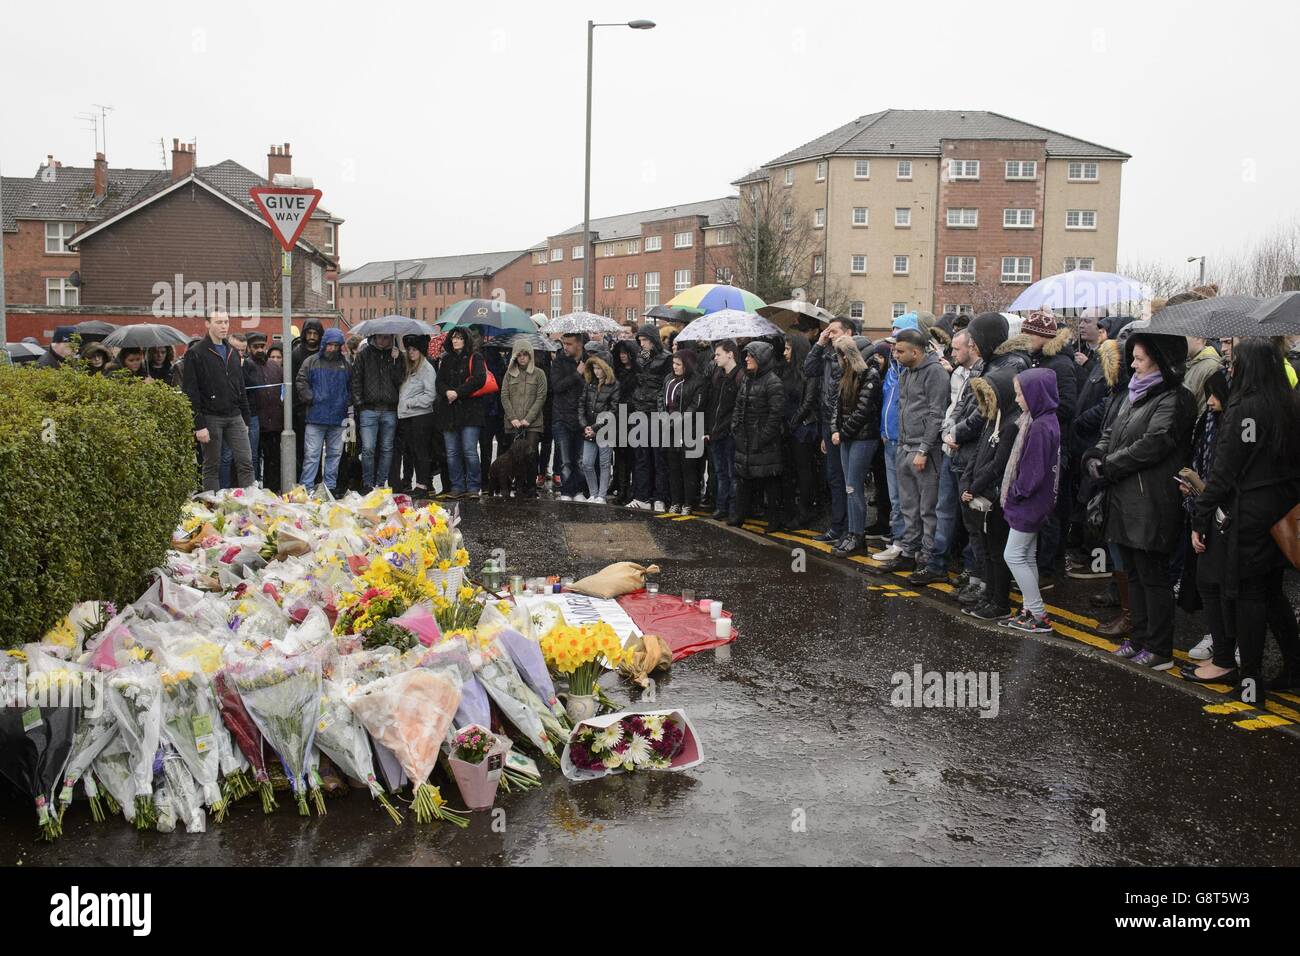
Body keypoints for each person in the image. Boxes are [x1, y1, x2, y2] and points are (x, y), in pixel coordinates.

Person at [1189, 340, 1300, 699]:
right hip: (1280, 512)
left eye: (1236, 364)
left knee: (1248, 593)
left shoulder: (1244, 409)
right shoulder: (1290, 404)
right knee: (1271, 591)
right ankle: (1294, 665)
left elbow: (1224, 471)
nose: (1231, 369)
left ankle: (1247, 678)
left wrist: (1200, 516)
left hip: (1248, 513)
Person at [1083, 332, 1195, 670]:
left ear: (1160, 361)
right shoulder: (1136, 395)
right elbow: (1110, 433)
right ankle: (1139, 639)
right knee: (1133, 573)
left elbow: (1154, 443)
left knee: (1153, 576)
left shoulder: (1175, 398)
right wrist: (1094, 457)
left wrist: (1109, 465)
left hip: (1152, 501)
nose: (1132, 363)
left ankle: (1159, 649)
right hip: (1123, 496)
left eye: (1140, 358)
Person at [876, 329, 951, 581]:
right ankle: (909, 552)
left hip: (923, 451)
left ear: (915, 352)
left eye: (899, 351)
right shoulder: (906, 372)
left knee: (927, 509)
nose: (894, 355)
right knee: (908, 506)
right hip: (904, 446)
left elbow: (935, 414)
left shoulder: (935, 373)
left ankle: (928, 558)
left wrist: (923, 449)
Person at [998, 369, 1062, 633]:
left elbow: (1032, 472)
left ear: (1036, 394)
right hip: (1040, 501)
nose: (1017, 399)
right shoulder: (1047, 420)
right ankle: (1029, 608)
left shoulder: (1038, 426)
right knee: (1026, 555)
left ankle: (1037, 613)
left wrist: (1017, 492)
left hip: (1029, 501)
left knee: (1012, 555)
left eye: (1021, 394)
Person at [1020, 310, 1077, 588]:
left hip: (1055, 445)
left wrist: (1036, 408)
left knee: (1050, 510)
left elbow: (1067, 406)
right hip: (1037, 440)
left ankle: (1046, 569)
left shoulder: (1061, 365)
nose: (1026, 338)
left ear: (1043, 335)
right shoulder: (1036, 360)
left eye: (1029, 333)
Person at [959, 368, 1020, 623]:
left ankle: (1000, 601)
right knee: (986, 548)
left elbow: (999, 464)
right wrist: (966, 480)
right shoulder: (992, 418)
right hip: (978, 491)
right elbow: (976, 456)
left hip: (994, 497)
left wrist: (974, 486)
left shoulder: (1011, 425)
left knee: (998, 552)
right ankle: (989, 595)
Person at [1178, 368, 1229, 668]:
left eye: (1214, 395)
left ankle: (1231, 645)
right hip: (1202, 507)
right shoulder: (1207, 421)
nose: (1209, 401)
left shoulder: (1236, 426)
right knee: (1207, 580)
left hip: (1225, 515)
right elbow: (1198, 456)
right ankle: (1219, 636)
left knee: (1227, 583)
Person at [181, 310, 255, 492]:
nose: (224, 326)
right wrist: (199, 425)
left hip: (234, 414)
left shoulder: (233, 352)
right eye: (219, 322)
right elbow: (191, 392)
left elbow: (240, 387)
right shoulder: (195, 353)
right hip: (210, 416)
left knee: (246, 461)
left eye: (226, 322)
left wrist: (246, 418)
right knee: (211, 465)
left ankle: (251, 505)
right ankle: (211, 508)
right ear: (207, 324)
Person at [829, 335, 882, 557]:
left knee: (854, 487)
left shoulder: (870, 375)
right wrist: (835, 428)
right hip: (848, 437)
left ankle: (857, 535)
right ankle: (851, 533)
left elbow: (863, 411)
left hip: (863, 438)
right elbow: (837, 406)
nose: (840, 359)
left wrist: (842, 432)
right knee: (850, 487)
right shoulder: (847, 374)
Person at [803, 318, 854, 542]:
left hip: (844, 426)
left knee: (847, 480)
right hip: (827, 423)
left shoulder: (852, 356)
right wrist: (819, 344)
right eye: (828, 331)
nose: (830, 335)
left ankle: (849, 528)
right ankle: (837, 525)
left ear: (849, 333)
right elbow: (808, 369)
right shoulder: (826, 353)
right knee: (834, 477)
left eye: (834, 332)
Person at [730, 341, 785, 530]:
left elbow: (776, 415)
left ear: (761, 358)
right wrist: (735, 428)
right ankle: (738, 517)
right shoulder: (747, 379)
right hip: (745, 438)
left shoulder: (773, 381)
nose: (746, 359)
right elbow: (738, 406)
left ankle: (774, 521)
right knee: (743, 481)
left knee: (770, 483)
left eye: (750, 355)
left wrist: (762, 438)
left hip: (763, 442)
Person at [936, 329, 977, 577]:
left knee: (969, 517)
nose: (952, 353)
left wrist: (959, 435)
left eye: (957, 349)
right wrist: (947, 433)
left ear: (972, 347)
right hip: (948, 448)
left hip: (967, 451)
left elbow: (977, 415)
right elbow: (953, 409)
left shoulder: (982, 374)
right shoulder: (956, 373)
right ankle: (937, 562)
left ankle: (970, 568)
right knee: (944, 509)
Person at [296, 328, 351, 492]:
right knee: (312, 456)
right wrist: (310, 397)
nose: (332, 348)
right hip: (315, 417)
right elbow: (301, 381)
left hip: (337, 417)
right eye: (330, 345)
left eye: (336, 345)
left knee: (334, 456)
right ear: (324, 343)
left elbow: (352, 387)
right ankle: (307, 487)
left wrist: (345, 401)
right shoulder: (311, 362)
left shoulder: (345, 365)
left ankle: (329, 488)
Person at [434, 327, 488, 499]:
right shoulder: (446, 358)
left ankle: (473, 486)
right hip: (449, 412)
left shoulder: (475, 357)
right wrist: (447, 392)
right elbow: (439, 382)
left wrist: (458, 392)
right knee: (451, 452)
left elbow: (479, 379)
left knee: (469, 450)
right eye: (453, 338)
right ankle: (457, 486)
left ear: (466, 340)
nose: (455, 341)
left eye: (459, 338)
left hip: (470, 412)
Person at [628, 324, 672, 511]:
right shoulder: (641, 357)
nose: (642, 344)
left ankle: (660, 497)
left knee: (658, 458)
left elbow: (666, 387)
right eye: (640, 341)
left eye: (645, 340)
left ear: (654, 340)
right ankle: (642, 496)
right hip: (640, 410)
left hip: (656, 411)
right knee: (641, 457)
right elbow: (637, 379)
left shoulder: (667, 358)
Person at [352, 333, 403, 492]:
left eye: (386, 337)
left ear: (391, 338)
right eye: (380, 337)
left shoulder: (396, 357)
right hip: (368, 409)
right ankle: (368, 484)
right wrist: (360, 405)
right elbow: (356, 380)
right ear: (374, 337)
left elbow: (400, 381)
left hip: (389, 409)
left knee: (387, 448)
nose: (383, 340)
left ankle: (380, 484)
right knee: (368, 448)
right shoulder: (363, 355)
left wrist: (396, 361)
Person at [500, 336, 549, 498]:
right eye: (519, 355)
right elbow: (504, 397)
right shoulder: (509, 375)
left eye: (525, 355)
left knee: (531, 453)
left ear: (530, 356)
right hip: (513, 423)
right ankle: (518, 485)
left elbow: (541, 397)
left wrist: (528, 419)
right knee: (515, 456)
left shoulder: (539, 374)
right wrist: (513, 418)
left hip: (533, 424)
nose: (522, 358)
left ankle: (531, 486)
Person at [781, 333, 819, 529]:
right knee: (791, 470)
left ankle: (805, 510)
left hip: (803, 428)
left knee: (804, 471)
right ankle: (792, 509)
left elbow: (808, 401)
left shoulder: (809, 372)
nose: (785, 352)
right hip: (789, 427)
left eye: (788, 349)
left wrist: (793, 423)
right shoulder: (788, 371)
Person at [394, 335, 438, 497]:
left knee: (421, 451)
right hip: (407, 416)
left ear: (421, 351)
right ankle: (418, 484)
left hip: (420, 416)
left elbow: (430, 395)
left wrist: (411, 403)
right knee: (412, 451)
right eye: (409, 350)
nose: (411, 353)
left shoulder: (426, 368)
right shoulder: (409, 366)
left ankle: (422, 485)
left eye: (414, 350)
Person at [662, 348, 704, 514]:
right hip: (671, 429)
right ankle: (675, 501)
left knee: (688, 469)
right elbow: (661, 398)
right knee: (673, 469)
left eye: (678, 364)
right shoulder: (668, 379)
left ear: (687, 365)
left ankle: (688, 502)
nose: (675, 367)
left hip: (690, 430)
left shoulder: (698, 381)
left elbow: (696, 406)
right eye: (673, 363)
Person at [706, 340, 743, 522]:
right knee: (721, 472)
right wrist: (709, 429)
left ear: (730, 354)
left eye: (719, 354)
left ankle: (733, 510)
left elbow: (739, 408)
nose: (715, 357)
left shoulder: (739, 377)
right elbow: (713, 406)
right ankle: (722, 507)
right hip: (716, 432)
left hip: (730, 433)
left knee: (732, 474)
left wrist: (732, 429)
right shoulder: (717, 376)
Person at [550, 333, 587, 501]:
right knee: (565, 460)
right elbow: (556, 386)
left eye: (569, 344)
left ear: (579, 344)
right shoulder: (558, 362)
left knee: (579, 459)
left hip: (581, 417)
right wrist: (576, 374)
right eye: (564, 343)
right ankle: (566, 491)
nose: (565, 347)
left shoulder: (588, 361)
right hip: (561, 416)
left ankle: (577, 490)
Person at [579, 351, 620, 504]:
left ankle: (601, 496)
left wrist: (595, 428)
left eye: (599, 368)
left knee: (604, 463)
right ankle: (593, 493)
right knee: (587, 463)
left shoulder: (615, 385)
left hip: (605, 430)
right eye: (594, 368)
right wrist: (585, 426)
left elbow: (613, 411)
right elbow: (581, 405)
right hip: (590, 428)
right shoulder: (589, 383)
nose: (596, 371)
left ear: (606, 368)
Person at [245, 334, 284, 491]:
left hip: (274, 422)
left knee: (273, 460)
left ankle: (272, 491)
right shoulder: (246, 366)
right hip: (255, 420)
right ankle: (253, 491)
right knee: (252, 459)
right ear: (249, 348)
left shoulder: (274, 366)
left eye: (262, 346)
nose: (260, 350)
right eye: (256, 347)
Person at [610, 340, 641, 504]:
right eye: (620, 353)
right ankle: (622, 490)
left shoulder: (638, 372)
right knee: (621, 456)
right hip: (619, 416)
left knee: (634, 457)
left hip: (634, 417)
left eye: (625, 352)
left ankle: (632, 491)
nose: (622, 356)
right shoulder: (617, 371)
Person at [1182, 335, 1222, 419]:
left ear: (1198, 338)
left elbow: (1205, 409)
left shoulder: (1210, 366)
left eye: (1184, 337)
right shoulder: (1191, 362)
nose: (1181, 342)